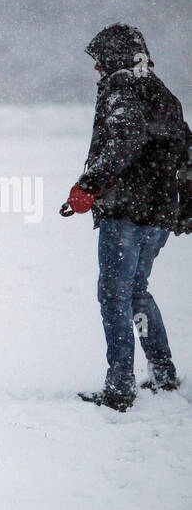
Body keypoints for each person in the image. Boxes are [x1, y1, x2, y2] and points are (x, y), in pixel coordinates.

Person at [60, 24, 188, 411]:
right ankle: (163, 373)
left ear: (114, 57)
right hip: (160, 212)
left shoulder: (122, 87)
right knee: (136, 290)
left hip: (127, 210)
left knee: (114, 293)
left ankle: (120, 386)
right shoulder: (163, 92)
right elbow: (187, 148)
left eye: (99, 60)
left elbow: (124, 139)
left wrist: (89, 185)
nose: (97, 69)